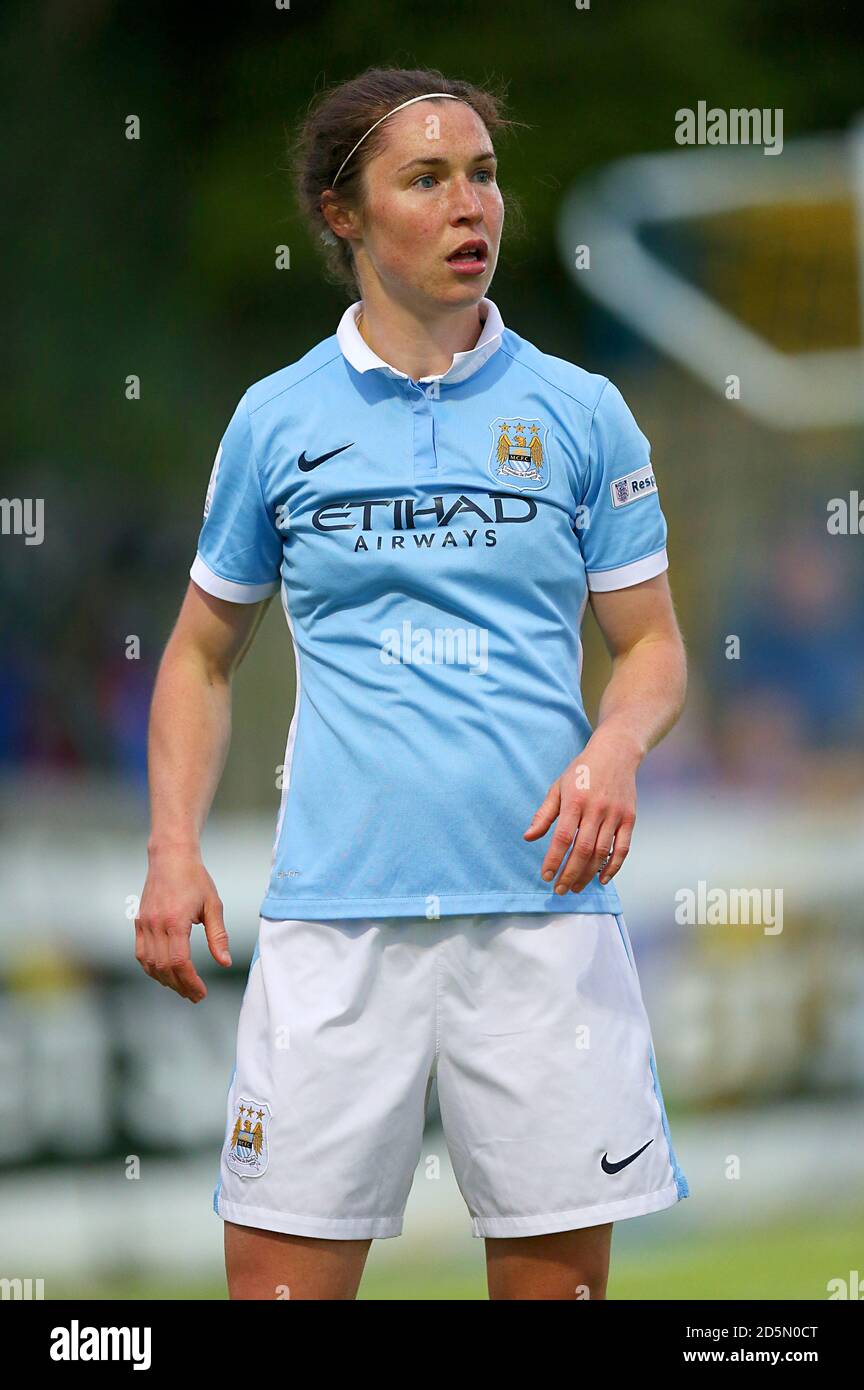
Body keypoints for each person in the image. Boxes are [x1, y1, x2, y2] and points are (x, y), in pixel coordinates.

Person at [136, 66, 689, 1301]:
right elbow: (197, 653)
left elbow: (651, 648)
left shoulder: (581, 411)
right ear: (342, 213)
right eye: (427, 178)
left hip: (541, 922)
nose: (469, 205)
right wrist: (173, 847)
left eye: (483, 174)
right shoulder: (277, 421)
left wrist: (613, 750)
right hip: (334, 926)